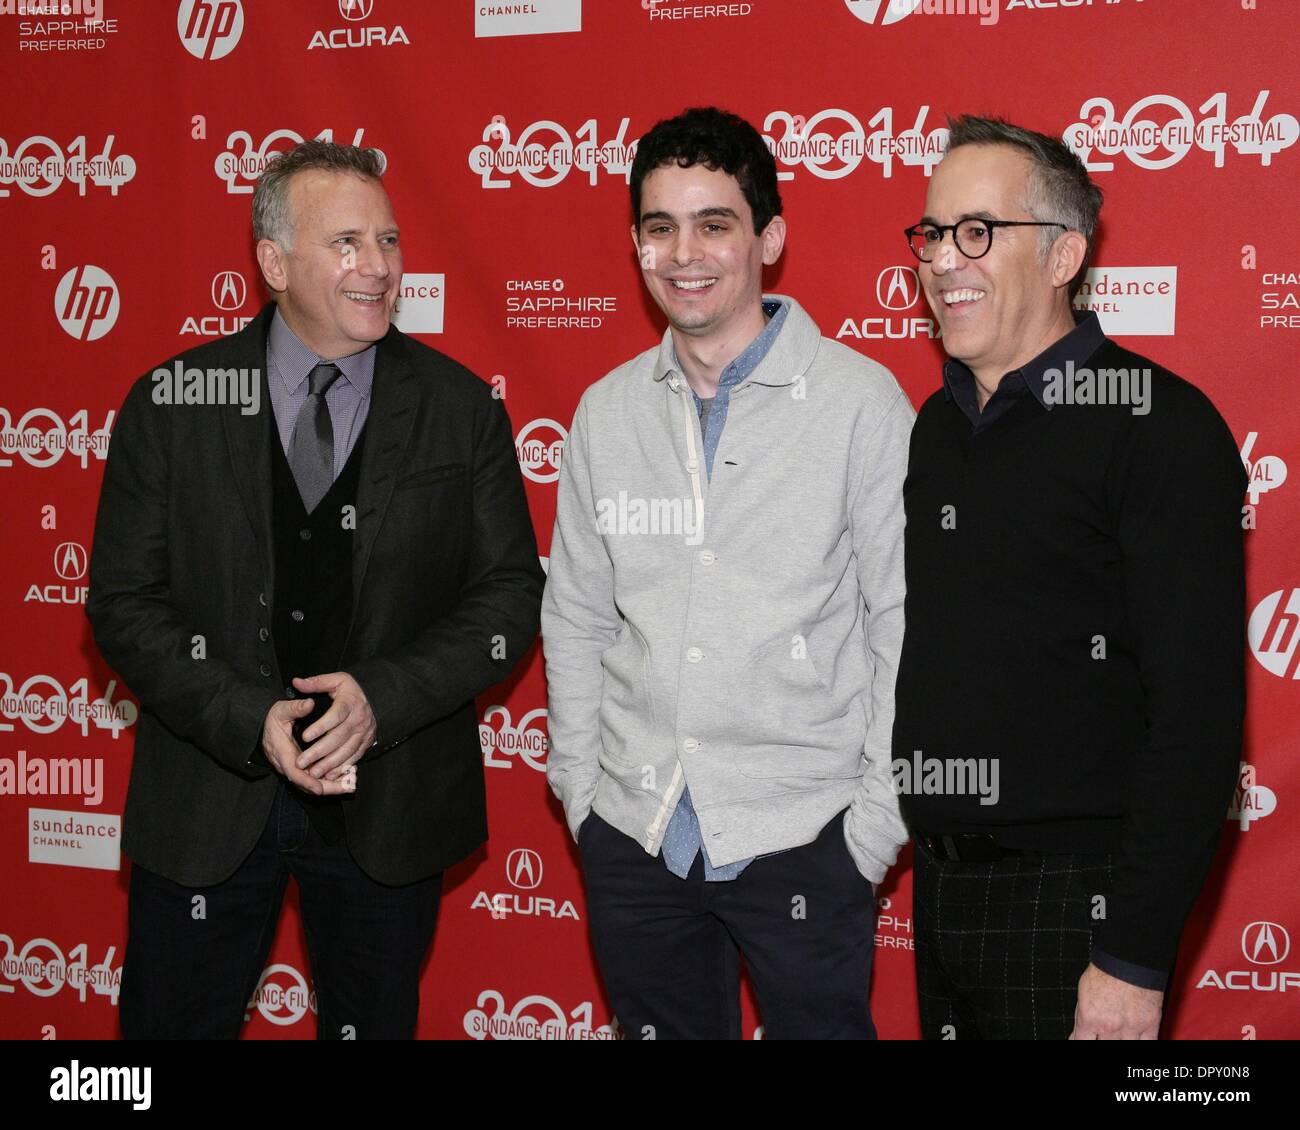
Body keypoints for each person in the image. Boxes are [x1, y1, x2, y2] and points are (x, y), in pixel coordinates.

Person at [87, 140, 544, 1039]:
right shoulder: (171, 403)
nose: (378, 266)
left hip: (390, 808)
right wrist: (245, 714)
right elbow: (124, 603)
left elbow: (507, 599)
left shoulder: (461, 410)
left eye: (388, 240)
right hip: (209, 802)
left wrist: (383, 698)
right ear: (273, 262)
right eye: (346, 243)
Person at [541, 106, 913, 1040]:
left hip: (806, 840)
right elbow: (578, 614)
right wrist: (583, 795)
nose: (685, 253)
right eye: (660, 228)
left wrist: (869, 832)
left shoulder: (860, 404)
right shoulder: (606, 411)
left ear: (769, 237)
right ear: (635, 245)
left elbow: (903, 623)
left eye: (715, 223)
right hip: (636, 832)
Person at [895, 115, 1246, 1040]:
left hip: (1079, 905)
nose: (942, 260)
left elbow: (1199, 723)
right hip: (942, 893)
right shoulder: (937, 428)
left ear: (1063, 258)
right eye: (932, 234)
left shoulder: (1159, 428)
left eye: (977, 232)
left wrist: (1131, 957)